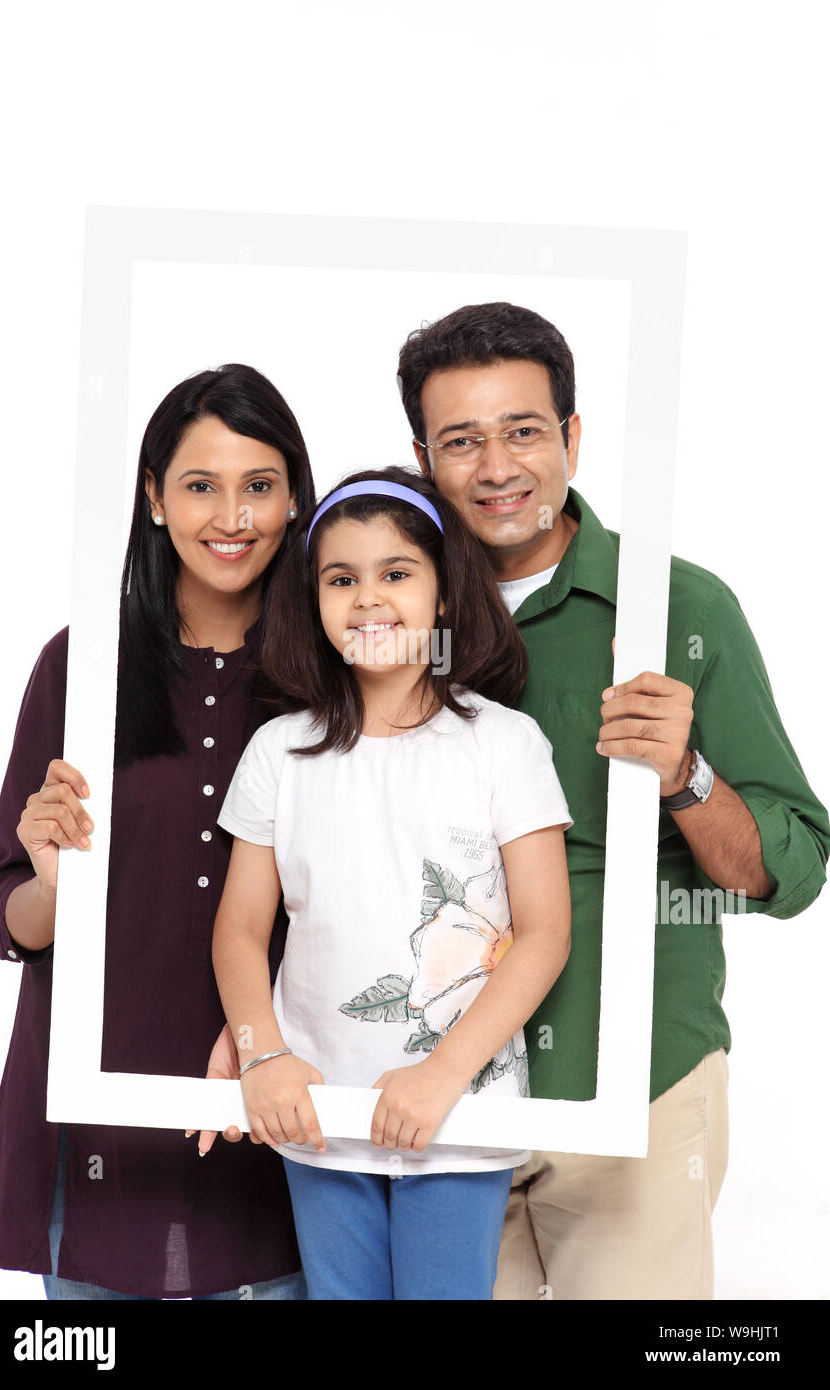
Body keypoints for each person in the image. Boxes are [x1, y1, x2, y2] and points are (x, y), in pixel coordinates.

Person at [395, 301, 830, 1300]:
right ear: (422, 457)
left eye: (522, 431)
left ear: (571, 438)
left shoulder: (679, 609)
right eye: (461, 441)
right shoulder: (377, 612)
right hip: (432, 1104)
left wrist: (686, 775)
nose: (496, 466)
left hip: (632, 1090)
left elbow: (790, 870)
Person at [0, 363, 316, 1299]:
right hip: (98, 1127)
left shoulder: (333, 679)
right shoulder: (81, 666)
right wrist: (49, 882)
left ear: (295, 500)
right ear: (154, 499)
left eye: (259, 486)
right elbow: (6, 909)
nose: (231, 517)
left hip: (276, 1114)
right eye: (200, 486)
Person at [210, 467, 573, 1301]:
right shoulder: (279, 752)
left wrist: (442, 1075)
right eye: (342, 579)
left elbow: (545, 932)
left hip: (456, 1113)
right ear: (314, 601)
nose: (368, 599)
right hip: (316, 1113)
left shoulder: (504, 744)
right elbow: (239, 928)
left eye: (397, 574)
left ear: (445, 596)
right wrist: (263, 1055)